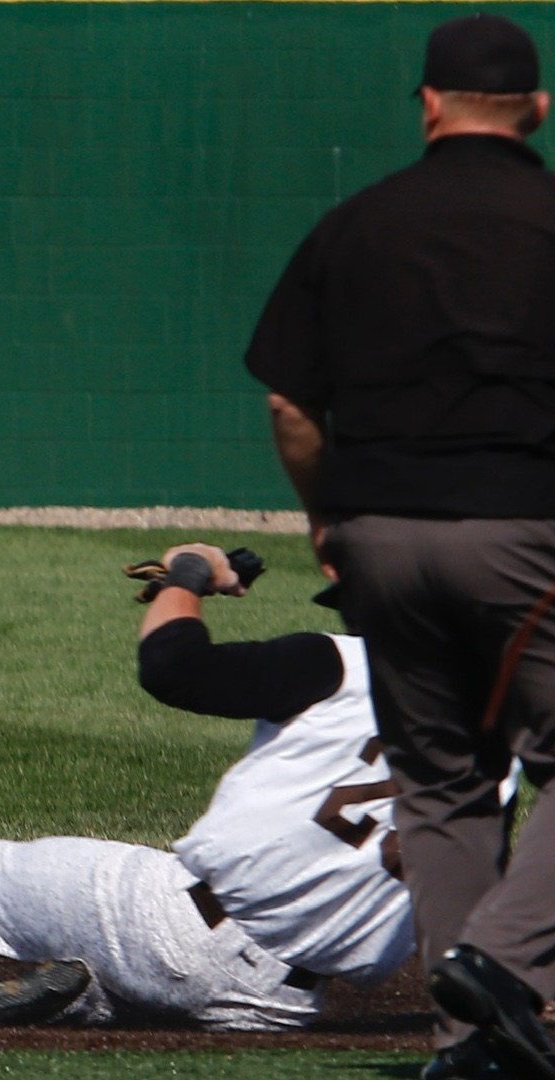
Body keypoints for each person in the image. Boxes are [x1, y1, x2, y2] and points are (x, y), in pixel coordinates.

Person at [0, 545, 517, 1077]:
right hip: (286, 1006)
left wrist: (186, 577)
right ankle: (49, 988)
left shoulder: (339, 665)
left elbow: (173, 667)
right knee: (126, 969)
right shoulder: (508, 756)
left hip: (180, 923)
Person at [244, 14, 555, 1078]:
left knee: (443, 786)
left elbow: (292, 404)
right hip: (526, 533)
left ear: (428, 104)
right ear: (539, 110)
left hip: (377, 537)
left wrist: (328, 520)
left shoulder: (357, 225)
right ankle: (501, 965)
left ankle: (473, 1051)